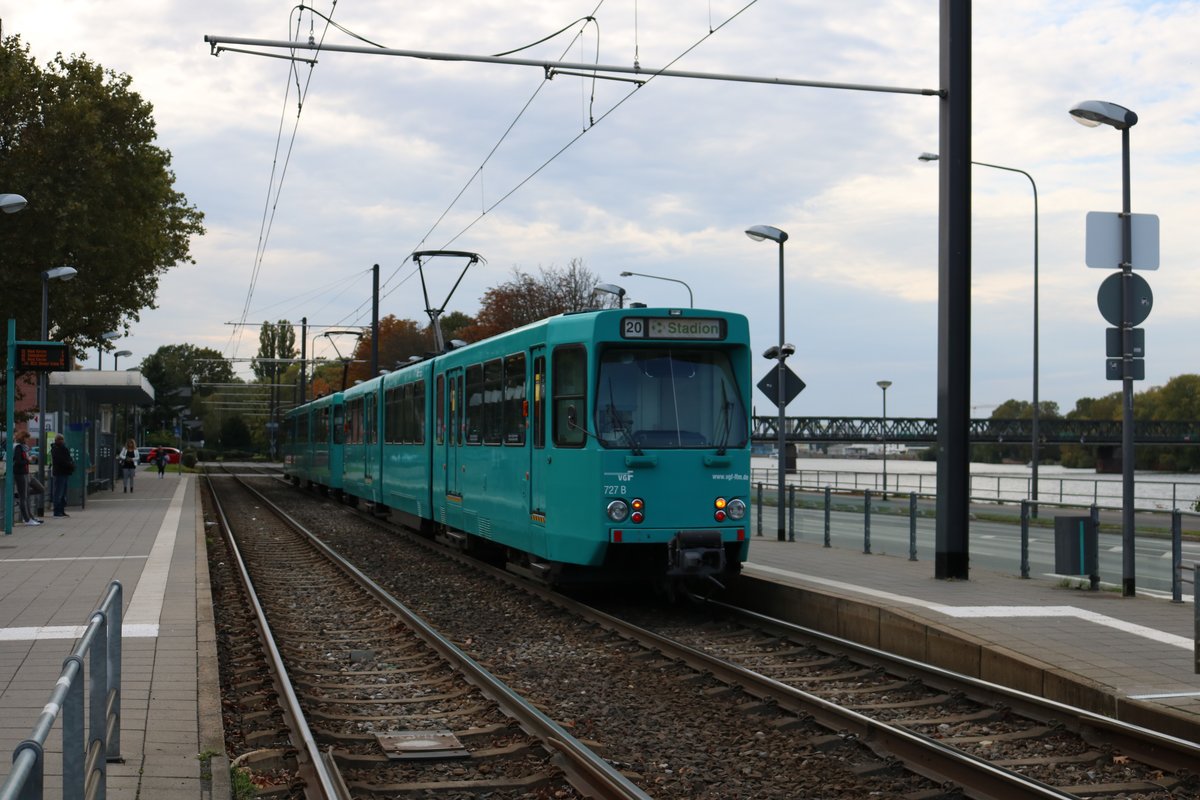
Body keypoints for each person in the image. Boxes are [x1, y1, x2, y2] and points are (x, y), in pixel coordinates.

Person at [12, 431, 40, 526]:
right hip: (21, 473)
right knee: (23, 498)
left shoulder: (23, 447)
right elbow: (18, 461)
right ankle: (27, 519)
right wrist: (28, 460)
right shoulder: (18, 447)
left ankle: (29, 518)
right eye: (27, 438)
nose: (28, 440)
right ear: (23, 438)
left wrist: (28, 459)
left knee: (26, 495)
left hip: (25, 472)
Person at [50, 433, 75, 517]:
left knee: (63, 493)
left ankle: (61, 510)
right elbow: (61, 461)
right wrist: (70, 464)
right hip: (59, 473)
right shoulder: (56, 449)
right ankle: (57, 512)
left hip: (64, 472)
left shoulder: (63, 448)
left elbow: (68, 458)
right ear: (56, 440)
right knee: (58, 493)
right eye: (59, 439)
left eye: (62, 439)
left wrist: (71, 463)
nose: (61, 441)